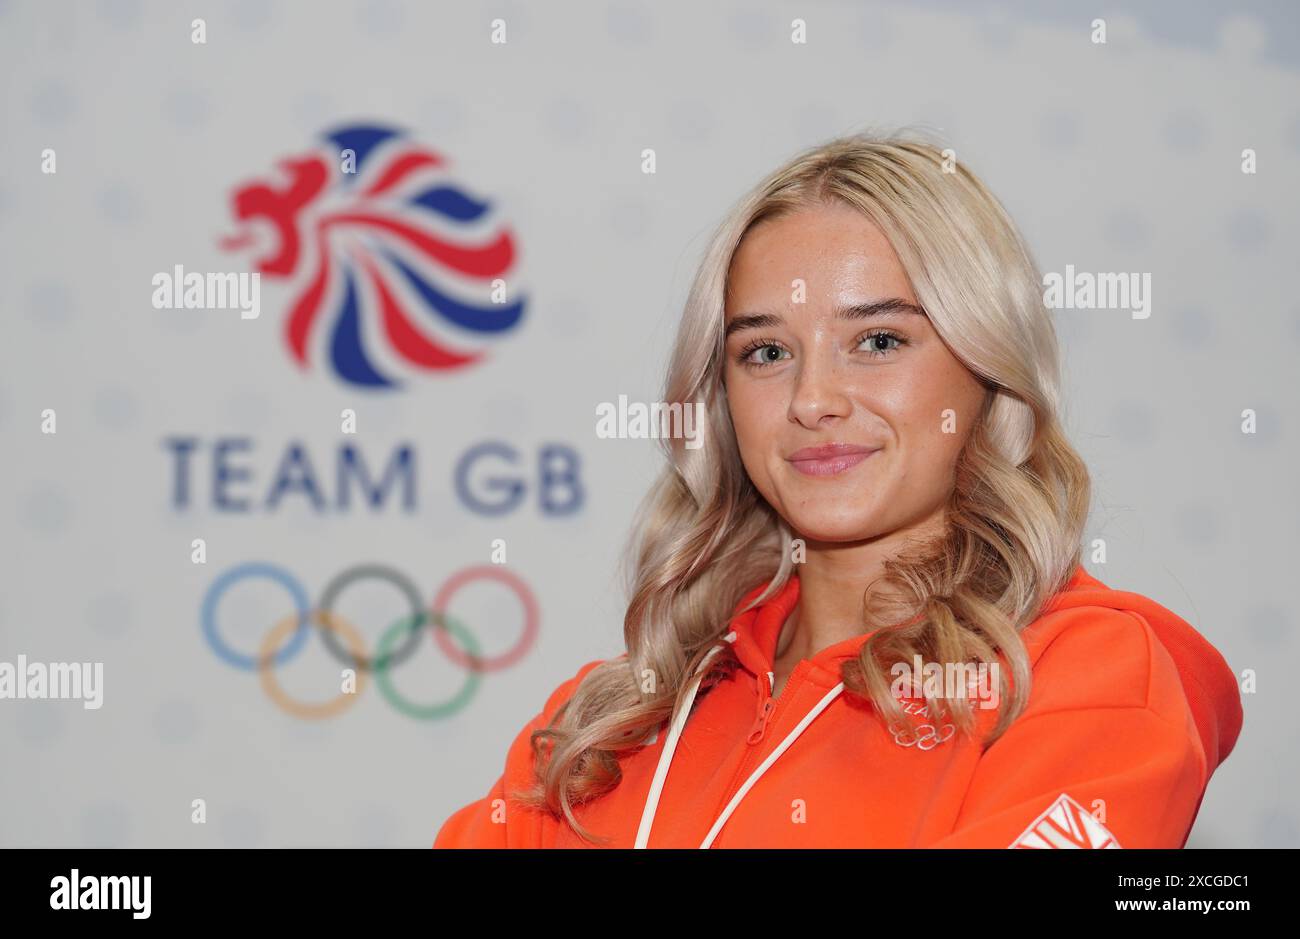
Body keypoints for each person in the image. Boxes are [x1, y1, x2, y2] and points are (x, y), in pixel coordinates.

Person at [433, 129, 1242, 848]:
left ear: (988, 371)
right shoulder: (611, 719)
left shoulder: (1083, 676)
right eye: (765, 352)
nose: (813, 398)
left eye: (878, 339)